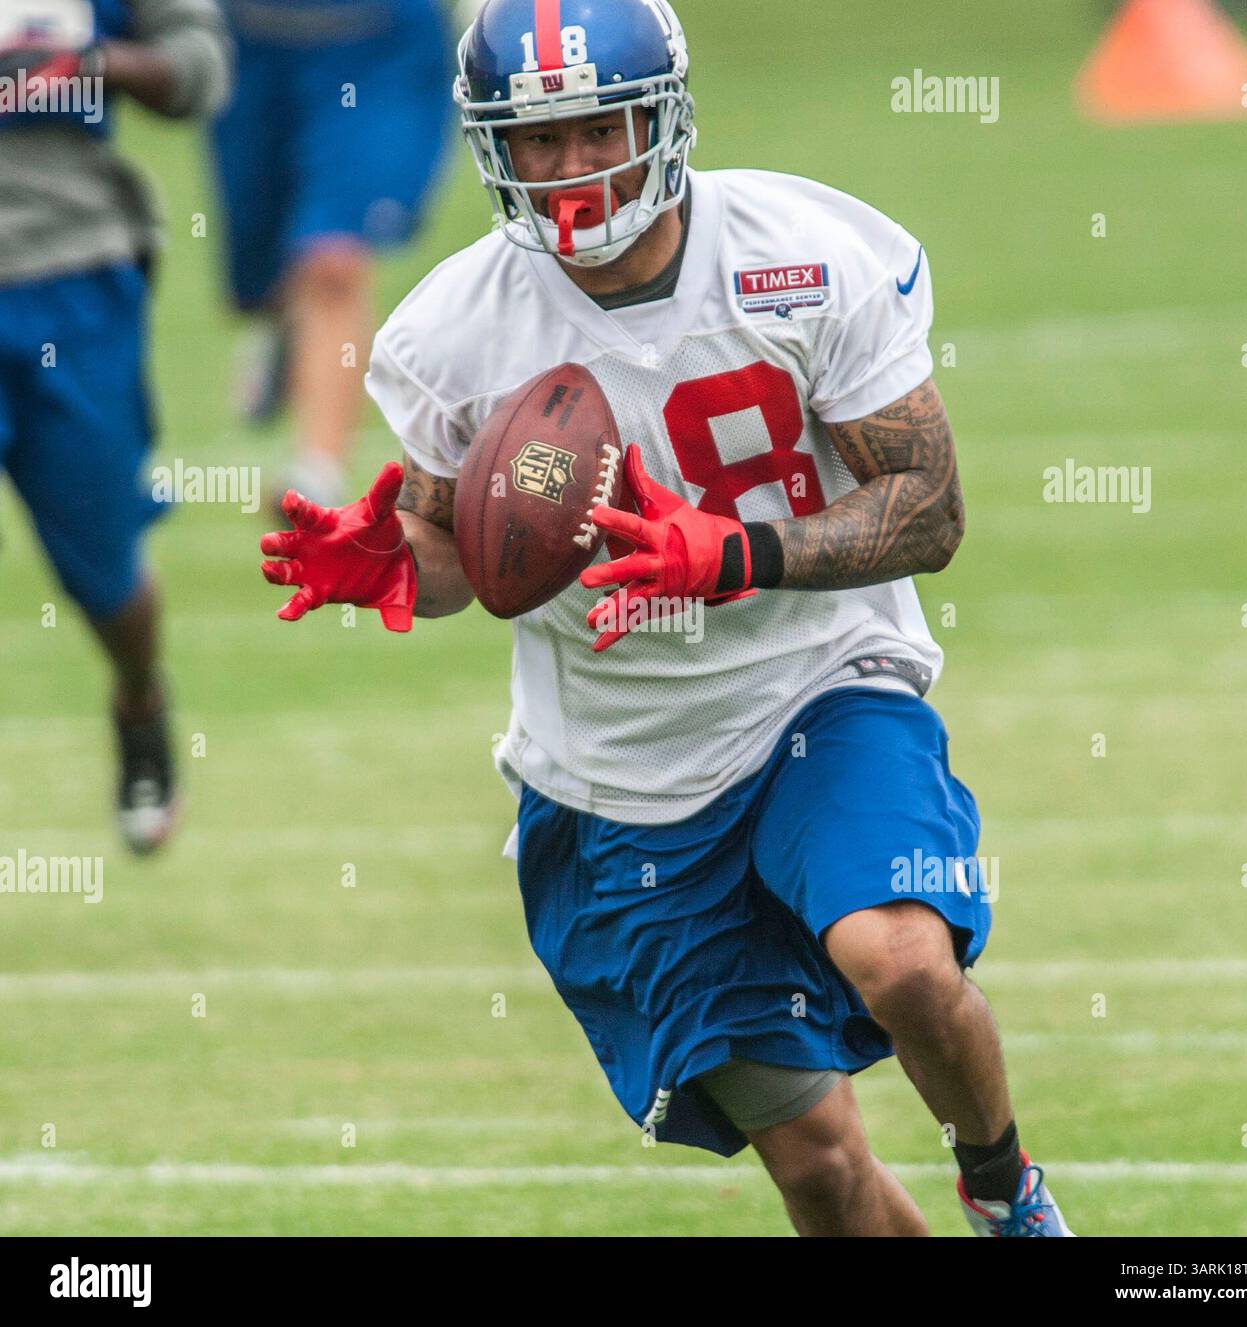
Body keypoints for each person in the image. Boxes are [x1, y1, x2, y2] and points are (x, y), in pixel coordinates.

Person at [260, 0, 1074, 1237]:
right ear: (492, 148)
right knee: (816, 1168)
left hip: (821, 683)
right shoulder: (453, 331)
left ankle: (1003, 1187)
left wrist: (735, 551)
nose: (572, 165)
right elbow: (463, 553)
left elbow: (930, 510)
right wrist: (393, 566)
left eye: (599, 127)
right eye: (535, 139)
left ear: (663, 117)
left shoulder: (804, 256)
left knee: (900, 954)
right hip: (617, 775)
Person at [0, 0, 230, 852]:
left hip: (71, 270)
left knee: (106, 571)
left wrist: (89, 65)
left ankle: (139, 694)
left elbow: (199, 69)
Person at [210, 0, 456, 509]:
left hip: (378, 38)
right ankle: (288, 327)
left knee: (332, 259)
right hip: (249, 39)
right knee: (256, 280)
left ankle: (316, 469)